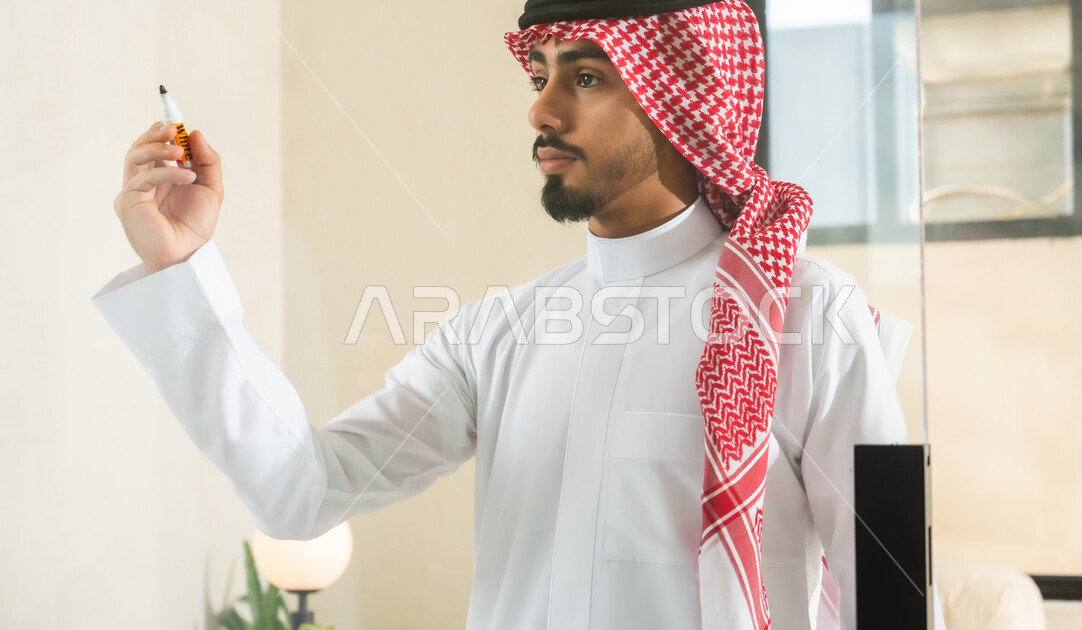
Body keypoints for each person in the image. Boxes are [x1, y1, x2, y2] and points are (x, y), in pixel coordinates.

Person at [95, 1, 934, 628]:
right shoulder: (496, 335)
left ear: (686, 99)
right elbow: (299, 493)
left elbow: (892, 596)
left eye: (587, 76)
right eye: (541, 76)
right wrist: (180, 265)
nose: (540, 108)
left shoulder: (812, 317)